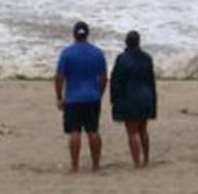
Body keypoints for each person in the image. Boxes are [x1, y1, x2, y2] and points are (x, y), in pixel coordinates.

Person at [55, 20, 107, 173]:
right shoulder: (97, 52)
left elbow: (59, 77)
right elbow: (104, 77)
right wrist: (100, 92)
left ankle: (75, 165)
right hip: (92, 96)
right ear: (87, 34)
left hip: (73, 98)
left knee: (74, 131)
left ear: (74, 34)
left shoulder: (67, 53)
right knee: (93, 131)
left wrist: (59, 96)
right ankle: (96, 165)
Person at [109, 30, 157, 169]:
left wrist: (114, 99)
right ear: (139, 42)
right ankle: (146, 159)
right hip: (146, 96)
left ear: (126, 42)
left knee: (132, 132)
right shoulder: (147, 58)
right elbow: (151, 80)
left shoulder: (122, 59)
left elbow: (116, 81)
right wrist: (153, 99)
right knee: (143, 130)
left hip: (130, 97)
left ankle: (137, 162)